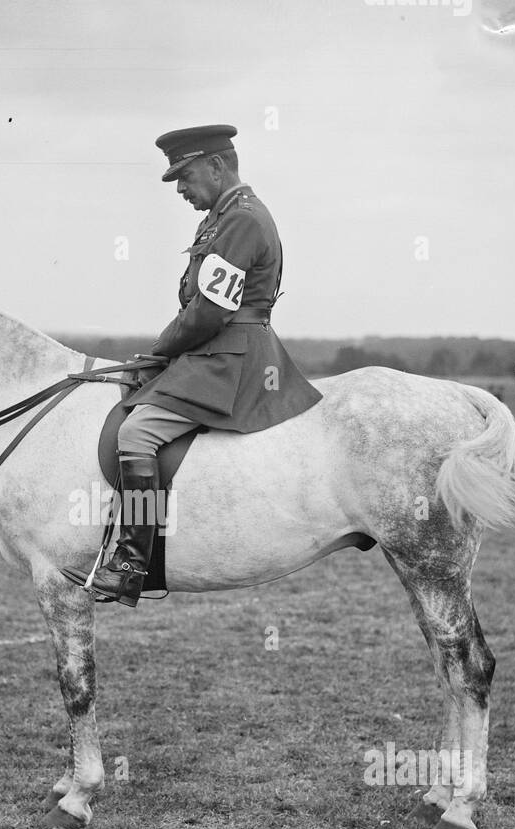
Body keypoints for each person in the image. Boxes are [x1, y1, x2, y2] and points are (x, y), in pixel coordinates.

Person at [63, 124, 322, 605]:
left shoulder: (241, 221)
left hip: (231, 356)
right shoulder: (222, 217)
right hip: (219, 347)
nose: (181, 188)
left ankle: (131, 561)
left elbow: (208, 311)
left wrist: (158, 353)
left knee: (137, 434)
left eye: (185, 176)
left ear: (217, 166)